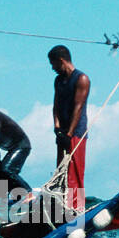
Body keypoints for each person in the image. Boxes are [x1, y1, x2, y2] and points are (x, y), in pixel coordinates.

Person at [49, 44, 90, 211]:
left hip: (76, 133)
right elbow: (56, 105)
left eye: (53, 64)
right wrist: (57, 128)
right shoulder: (58, 80)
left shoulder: (81, 79)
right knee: (61, 171)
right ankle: (61, 205)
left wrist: (69, 134)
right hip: (62, 133)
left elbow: (78, 107)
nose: (52, 68)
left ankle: (76, 207)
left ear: (61, 61)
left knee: (75, 173)